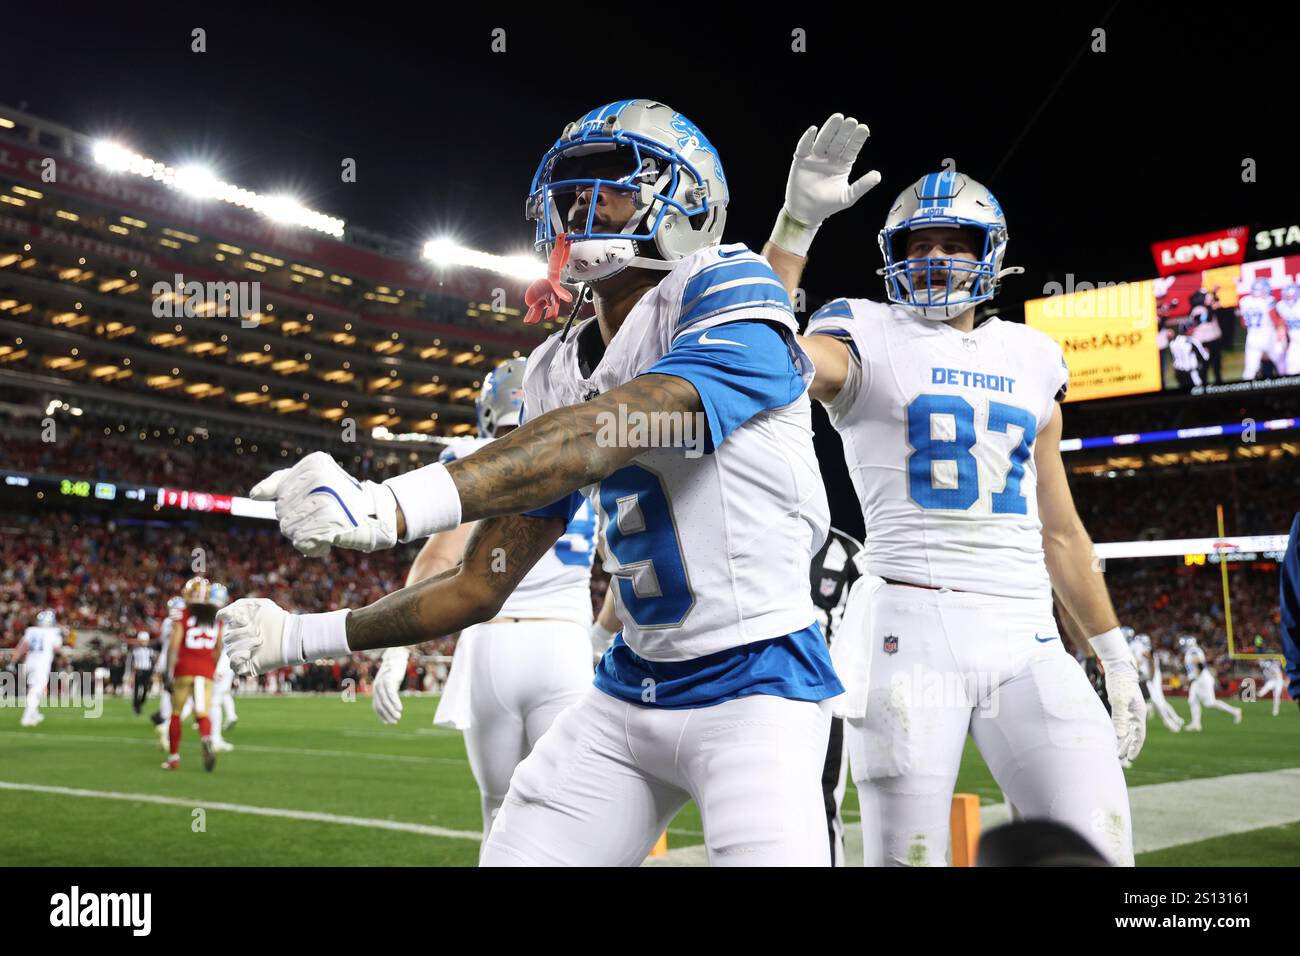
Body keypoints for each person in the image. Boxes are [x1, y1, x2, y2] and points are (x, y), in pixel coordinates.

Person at [219, 99, 840, 866]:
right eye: (574, 191)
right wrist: (303, 634)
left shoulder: (722, 286)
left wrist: (387, 505)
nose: (583, 205)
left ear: (687, 202)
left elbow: (609, 432)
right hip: (627, 691)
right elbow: (482, 584)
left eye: (614, 185)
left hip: (759, 687)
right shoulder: (554, 369)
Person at [761, 118, 1142, 866]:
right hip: (909, 620)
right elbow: (760, 356)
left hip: (1029, 631)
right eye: (918, 245)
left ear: (991, 255)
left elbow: (1060, 533)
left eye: (954, 243)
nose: (934, 259)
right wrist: (796, 226)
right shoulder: (863, 331)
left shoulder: (1033, 357)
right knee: (911, 856)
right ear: (892, 260)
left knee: (1100, 847)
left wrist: (1114, 656)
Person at [371, 359, 598, 844]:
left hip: (491, 647)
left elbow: (439, 559)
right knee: (572, 821)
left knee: (499, 815)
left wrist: (397, 648)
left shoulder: (476, 453)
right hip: (563, 643)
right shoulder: (587, 446)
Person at [162, 578, 226, 771]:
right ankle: (206, 738)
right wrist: (212, 668)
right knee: (202, 713)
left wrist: (168, 671)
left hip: (185, 668)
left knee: (176, 713)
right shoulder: (216, 618)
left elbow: (174, 646)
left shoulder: (183, 614)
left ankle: (173, 757)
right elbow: (218, 647)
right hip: (206, 669)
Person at [1180, 635, 1241, 730]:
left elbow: (1199, 665)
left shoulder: (1193, 651)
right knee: (1192, 700)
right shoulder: (1192, 651)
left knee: (1210, 703)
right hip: (1197, 680)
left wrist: (1190, 679)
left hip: (1202, 679)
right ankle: (1196, 724)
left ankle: (1235, 711)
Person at [14, 609, 63, 727]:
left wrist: (13, 661)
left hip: (29, 663)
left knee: (33, 689)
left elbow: (22, 647)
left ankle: (34, 713)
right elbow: (56, 648)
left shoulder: (31, 630)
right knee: (36, 690)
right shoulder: (53, 632)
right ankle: (27, 717)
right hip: (41, 665)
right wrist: (64, 655)